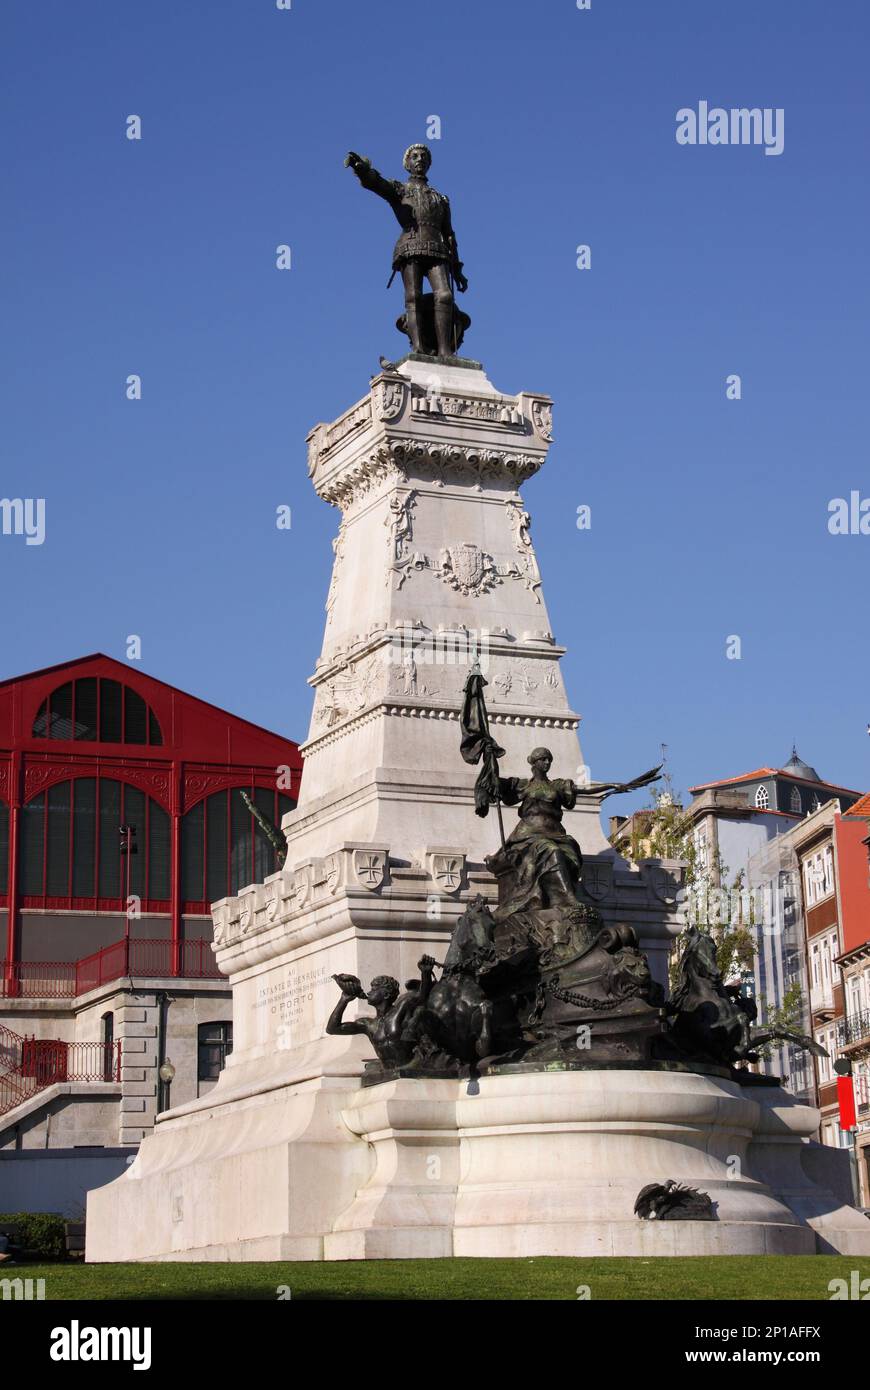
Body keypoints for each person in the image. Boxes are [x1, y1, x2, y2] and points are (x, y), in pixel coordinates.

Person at [345, 144, 467, 358]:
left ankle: (445, 351)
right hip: (410, 246)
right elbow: (377, 184)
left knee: (445, 295)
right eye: (415, 156)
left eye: (424, 157)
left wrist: (457, 269)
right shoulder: (400, 189)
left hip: (438, 249)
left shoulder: (441, 199)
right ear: (407, 163)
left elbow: (449, 234)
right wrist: (362, 170)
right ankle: (418, 347)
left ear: (429, 164)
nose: (420, 159)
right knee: (414, 297)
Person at [488, 747, 583, 913]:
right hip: (528, 836)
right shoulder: (523, 785)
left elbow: (583, 790)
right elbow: (494, 783)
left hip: (556, 834)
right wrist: (489, 760)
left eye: (549, 760)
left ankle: (557, 898)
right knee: (551, 851)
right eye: (543, 759)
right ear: (534, 762)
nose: (547, 763)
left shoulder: (557, 785)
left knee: (569, 855)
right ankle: (567, 899)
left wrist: (613, 786)